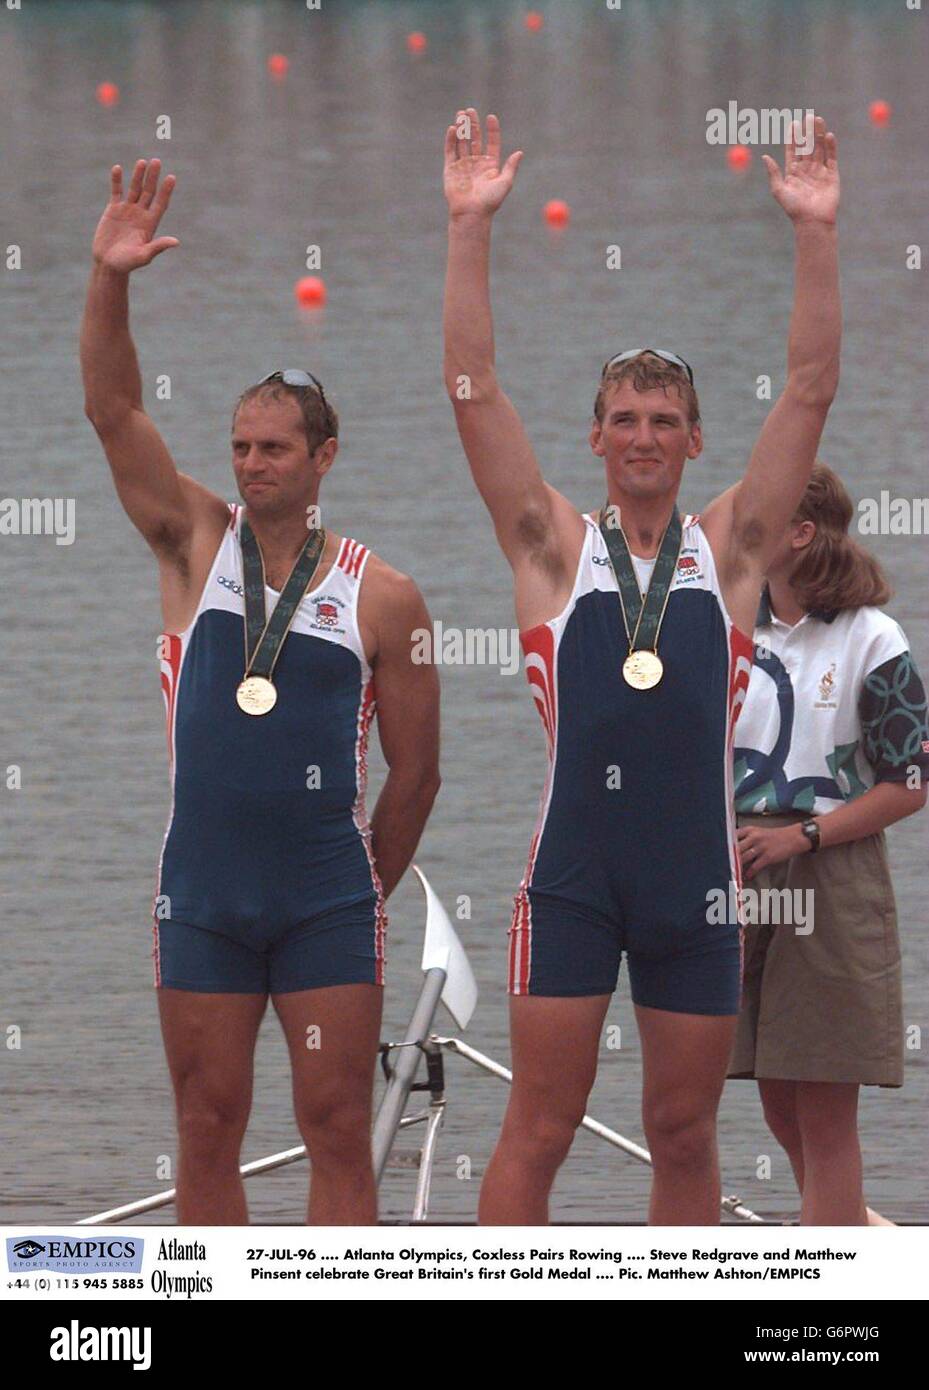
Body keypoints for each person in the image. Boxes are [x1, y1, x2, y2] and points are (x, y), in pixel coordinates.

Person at [443, 108, 841, 1224]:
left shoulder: (736, 550)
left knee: (680, 1134)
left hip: (692, 885)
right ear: (594, 437)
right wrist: (469, 226)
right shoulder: (548, 546)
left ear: (693, 441)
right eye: (622, 417)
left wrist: (813, 232)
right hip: (570, 878)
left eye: (664, 419)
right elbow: (470, 391)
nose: (643, 436)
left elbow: (806, 390)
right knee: (539, 1126)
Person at [80, 158, 441, 1225]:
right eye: (239, 447)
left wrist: (359, 885)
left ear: (323, 458)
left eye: (275, 449)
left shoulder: (385, 595)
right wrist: (111, 278)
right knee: (205, 1126)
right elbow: (110, 410)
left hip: (327, 897)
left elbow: (416, 774)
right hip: (202, 889)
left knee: (336, 1129)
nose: (251, 465)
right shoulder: (192, 544)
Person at [729, 462, 929, 1224]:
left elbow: (907, 785)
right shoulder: (728, 625)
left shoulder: (873, 638)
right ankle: (842, 1228)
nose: (735, 535)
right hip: (735, 872)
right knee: (777, 1097)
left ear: (799, 533)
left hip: (829, 871)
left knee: (821, 1109)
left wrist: (801, 838)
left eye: (755, 519)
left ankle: (830, 1271)